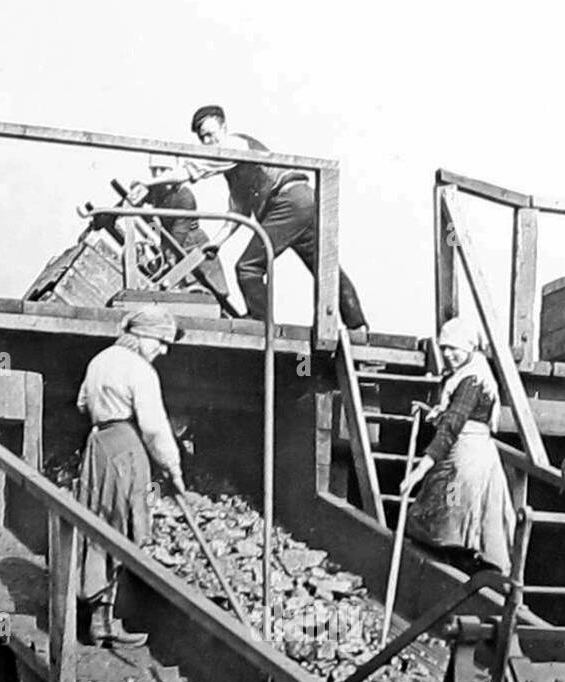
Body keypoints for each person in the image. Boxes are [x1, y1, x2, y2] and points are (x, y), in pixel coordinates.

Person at [131, 105, 369, 338]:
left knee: (248, 267)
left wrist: (145, 182)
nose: (209, 143)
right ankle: (357, 326)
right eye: (203, 139)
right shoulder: (235, 171)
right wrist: (216, 243)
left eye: (211, 135)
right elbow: (238, 213)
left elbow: (190, 170)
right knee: (323, 269)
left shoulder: (233, 146)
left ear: (224, 128)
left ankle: (261, 323)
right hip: (305, 201)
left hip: (288, 202)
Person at [75, 306, 187, 648]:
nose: (163, 350)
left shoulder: (99, 360)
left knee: (98, 524)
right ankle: (103, 623)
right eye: (161, 341)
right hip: (126, 447)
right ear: (140, 336)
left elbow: (82, 403)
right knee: (124, 526)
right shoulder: (140, 369)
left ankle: (98, 618)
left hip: (97, 446)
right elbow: (154, 428)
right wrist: (173, 467)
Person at [403, 317, 516, 573]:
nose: (447, 354)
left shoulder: (472, 381)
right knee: (458, 515)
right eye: (444, 348)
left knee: (453, 510)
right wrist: (432, 412)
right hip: (465, 456)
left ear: (469, 347)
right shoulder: (468, 374)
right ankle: (460, 568)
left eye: (454, 348)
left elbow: (453, 426)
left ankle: (458, 573)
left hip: (465, 462)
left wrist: (418, 471)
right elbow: (456, 415)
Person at [139, 155, 236, 314]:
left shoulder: (184, 197)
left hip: (192, 243)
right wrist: (153, 230)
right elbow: (151, 218)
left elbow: (179, 234)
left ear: (174, 171)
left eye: (163, 170)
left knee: (210, 293)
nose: (158, 175)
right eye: (154, 170)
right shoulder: (158, 191)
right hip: (171, 240)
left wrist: (166, 253)